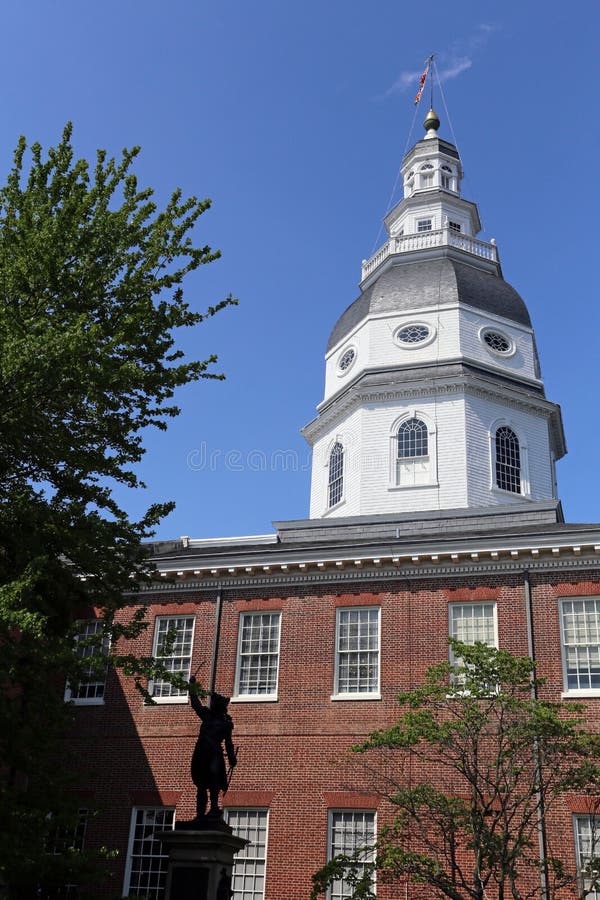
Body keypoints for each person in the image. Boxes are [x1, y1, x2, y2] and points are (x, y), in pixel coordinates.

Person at [188, 676, 237, 820]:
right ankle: (200, 814)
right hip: (202, 754)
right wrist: (192, 689)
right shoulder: (207, 716)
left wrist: (232, 758)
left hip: (214, 754)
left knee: (214, 782)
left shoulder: (225, 723)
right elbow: (196, 704)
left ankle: (214, 808)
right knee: (201, 784)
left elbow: (228, 742)